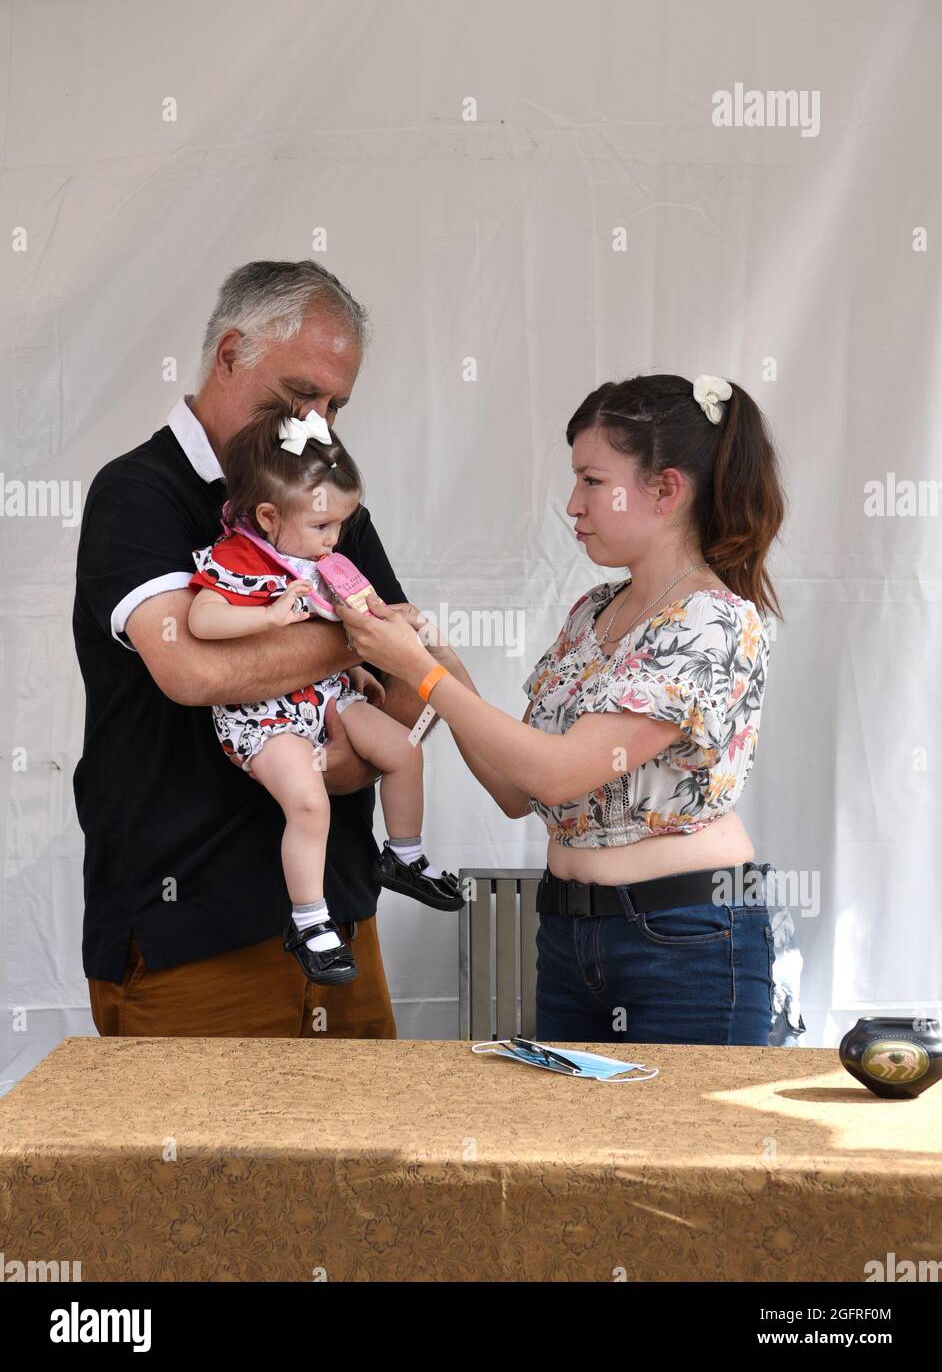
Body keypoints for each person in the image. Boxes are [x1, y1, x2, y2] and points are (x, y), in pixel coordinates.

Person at [337, 372, 799, 1046]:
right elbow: (518, 790)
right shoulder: (594, 613)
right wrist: (439, 657)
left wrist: (422, 673)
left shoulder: (710, 621)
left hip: (687, 939)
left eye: (591, 480)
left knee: (681, 1149)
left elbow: (558, 774)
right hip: (568, 934)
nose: (571, 504)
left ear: (666, 489)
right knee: (579, 1150)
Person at [73, 260, 429, 1038]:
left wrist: (362, 755)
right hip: (191, 936)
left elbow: (413, 685)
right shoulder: (139, 493)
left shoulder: (326, 497)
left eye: (337, 404)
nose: (321, 423)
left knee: (367, 1159)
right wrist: (352, 639)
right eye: (304, 394)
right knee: (198, 1163)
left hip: (341, 917)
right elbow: (195, 671)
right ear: (231, 353)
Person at [186, 393, 462, 986]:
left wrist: (360, 664)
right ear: (266, 518)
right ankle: (309, 921)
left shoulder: (322, 561)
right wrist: (267, 617)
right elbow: (202, 621)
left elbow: (352, 628)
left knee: (403, 748)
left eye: (341, 523)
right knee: (308, 801)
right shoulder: (242, 558)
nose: (335, 538)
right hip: (263, 717)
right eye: (322, 525)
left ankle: (404, 855)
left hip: (326, 694)